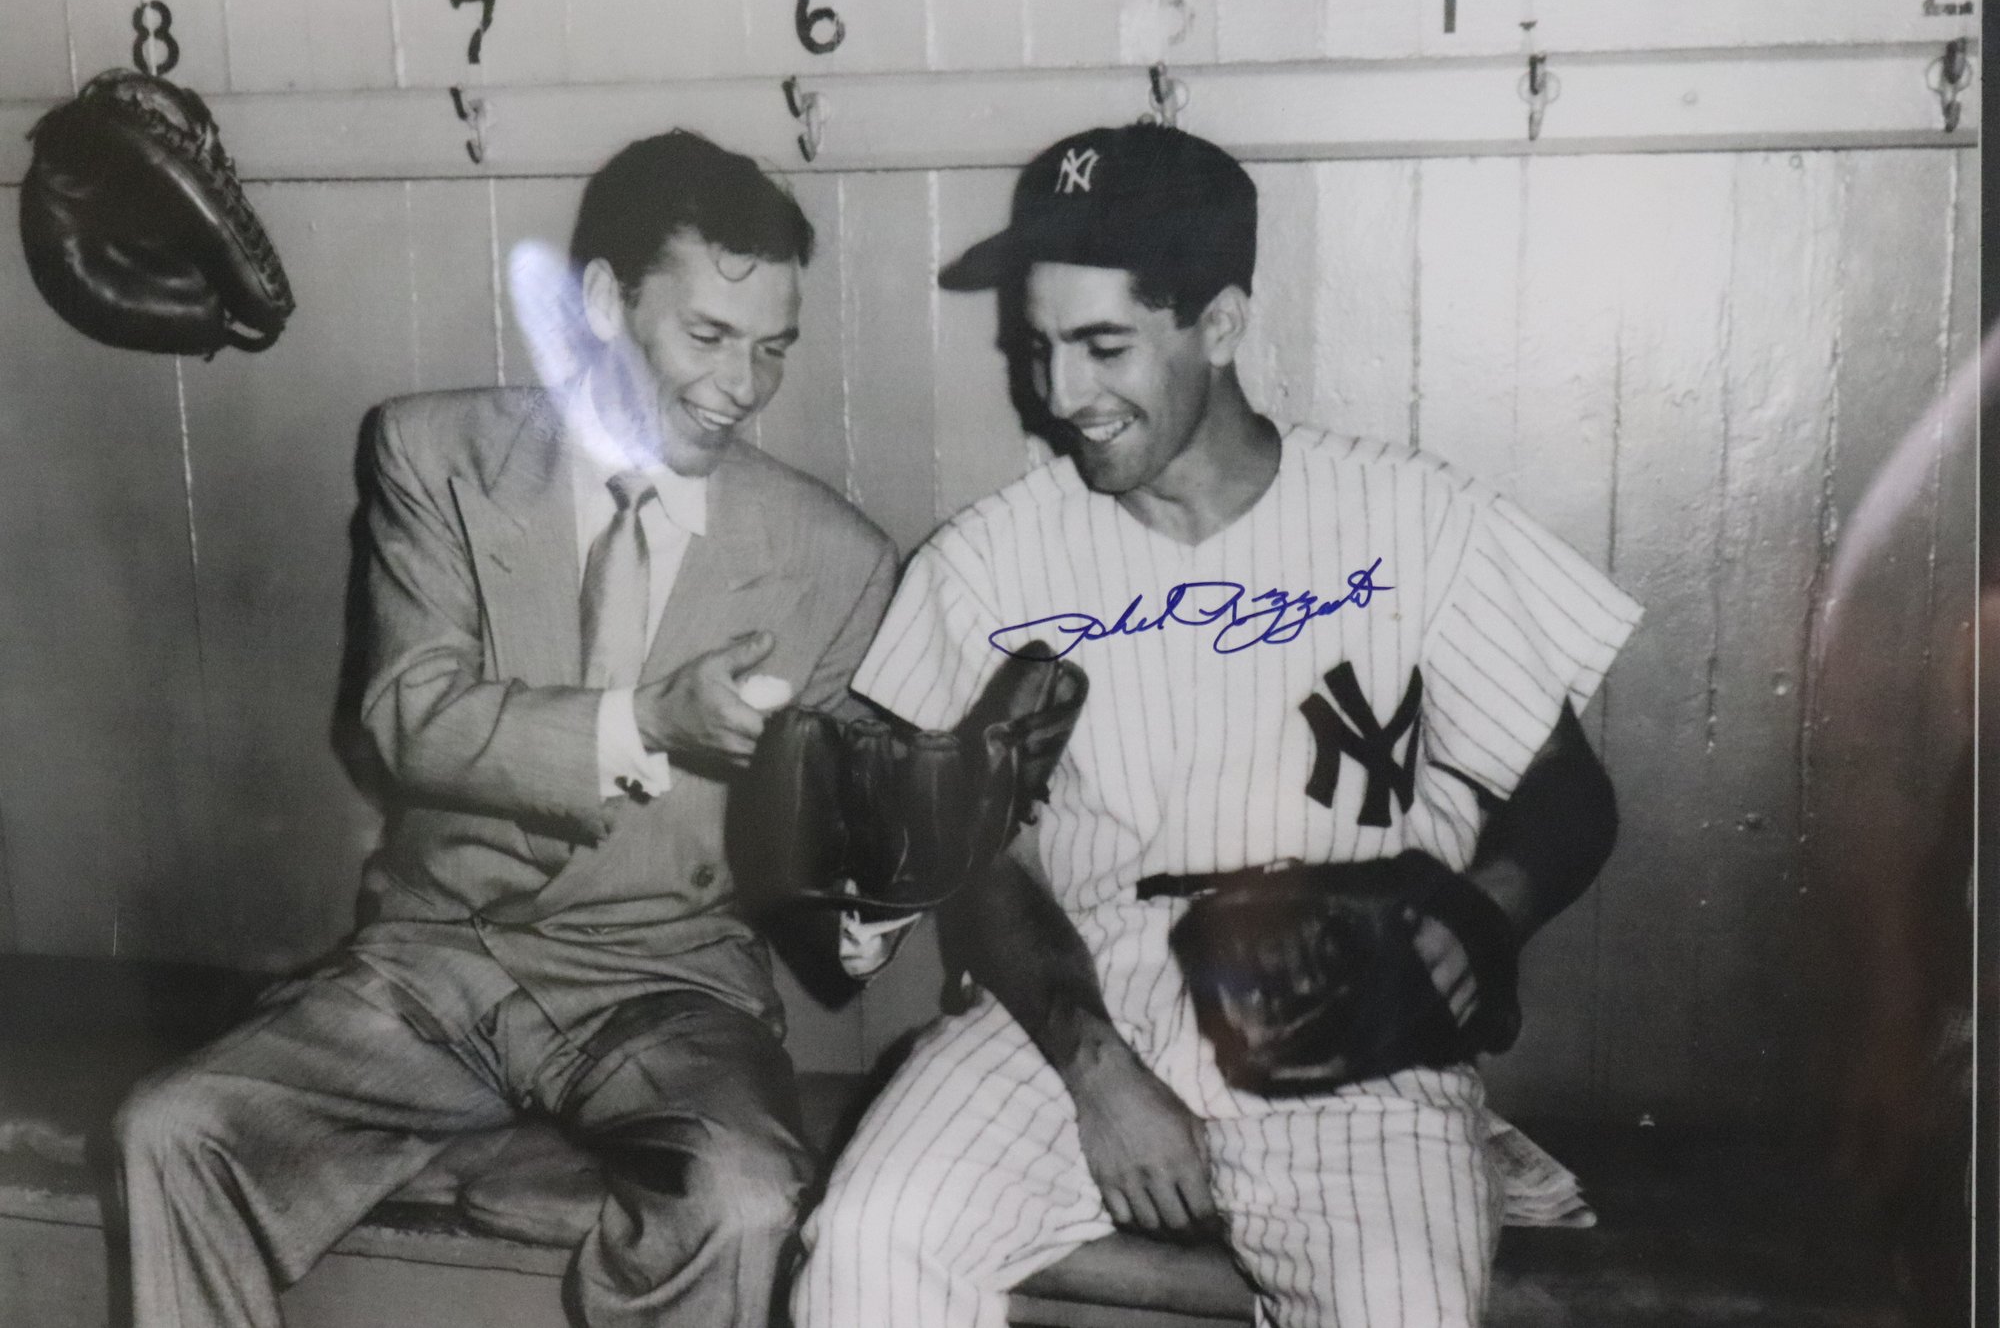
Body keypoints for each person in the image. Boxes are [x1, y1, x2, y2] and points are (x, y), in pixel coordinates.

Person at [792, 123, 1643, 1328]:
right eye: (1038, 348)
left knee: (1401, 1303)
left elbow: (1567, 794)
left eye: (1103, 346)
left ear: (1222, 324)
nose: (1061, 395)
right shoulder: (989, 556)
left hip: (1340, 998)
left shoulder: (1409, 516)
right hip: (1072, 998)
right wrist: (1095, 1069)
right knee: (868, 1244)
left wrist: (1478, 909)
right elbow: (964, 858)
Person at [114, 129, 897, 1328]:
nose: (741, 384)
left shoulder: (835, 559)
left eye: (772, 347)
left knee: (742, 1198)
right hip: (435, 960)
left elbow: (817, 856)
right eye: (706, 334)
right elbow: (407, 720)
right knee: (171, 1129)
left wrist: (868, 904)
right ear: (597, 301)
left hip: (668, 980)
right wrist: (644, 720)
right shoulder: (433, 453)